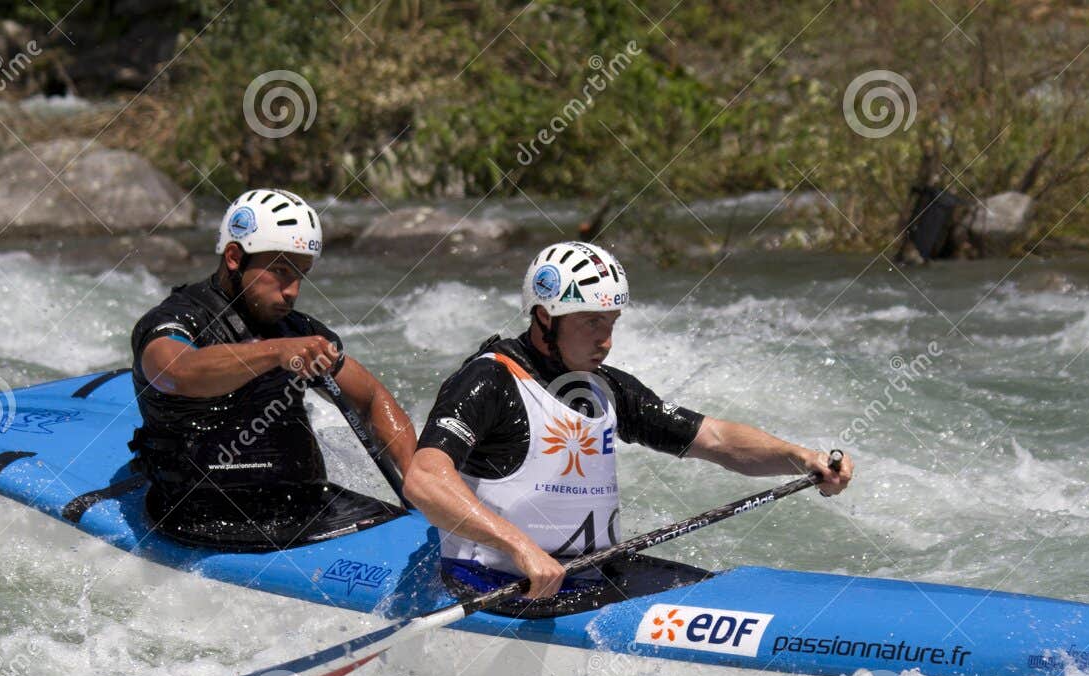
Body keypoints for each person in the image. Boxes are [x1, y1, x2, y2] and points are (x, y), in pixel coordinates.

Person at [403, 241, 853, 614]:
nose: (606, 339)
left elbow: (714, 439)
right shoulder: (489, 380)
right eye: (592, 322)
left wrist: (800, 458)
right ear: (544, 317)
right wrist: (521, 547)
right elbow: (424, 479)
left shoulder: (605, 386)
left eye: (612, 323)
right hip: (499, 586)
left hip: (594, 574)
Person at [130, 188, 416, 550]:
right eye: (280, 271)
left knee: (408, 533)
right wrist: (275, 352)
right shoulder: (177, 319)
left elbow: (371, 399)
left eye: (302, 274)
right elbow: (175, 372)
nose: (293, 291)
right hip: (200, 514)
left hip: (304, 506)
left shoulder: (298, 330)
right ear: (235, 257)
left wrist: (416, 478)